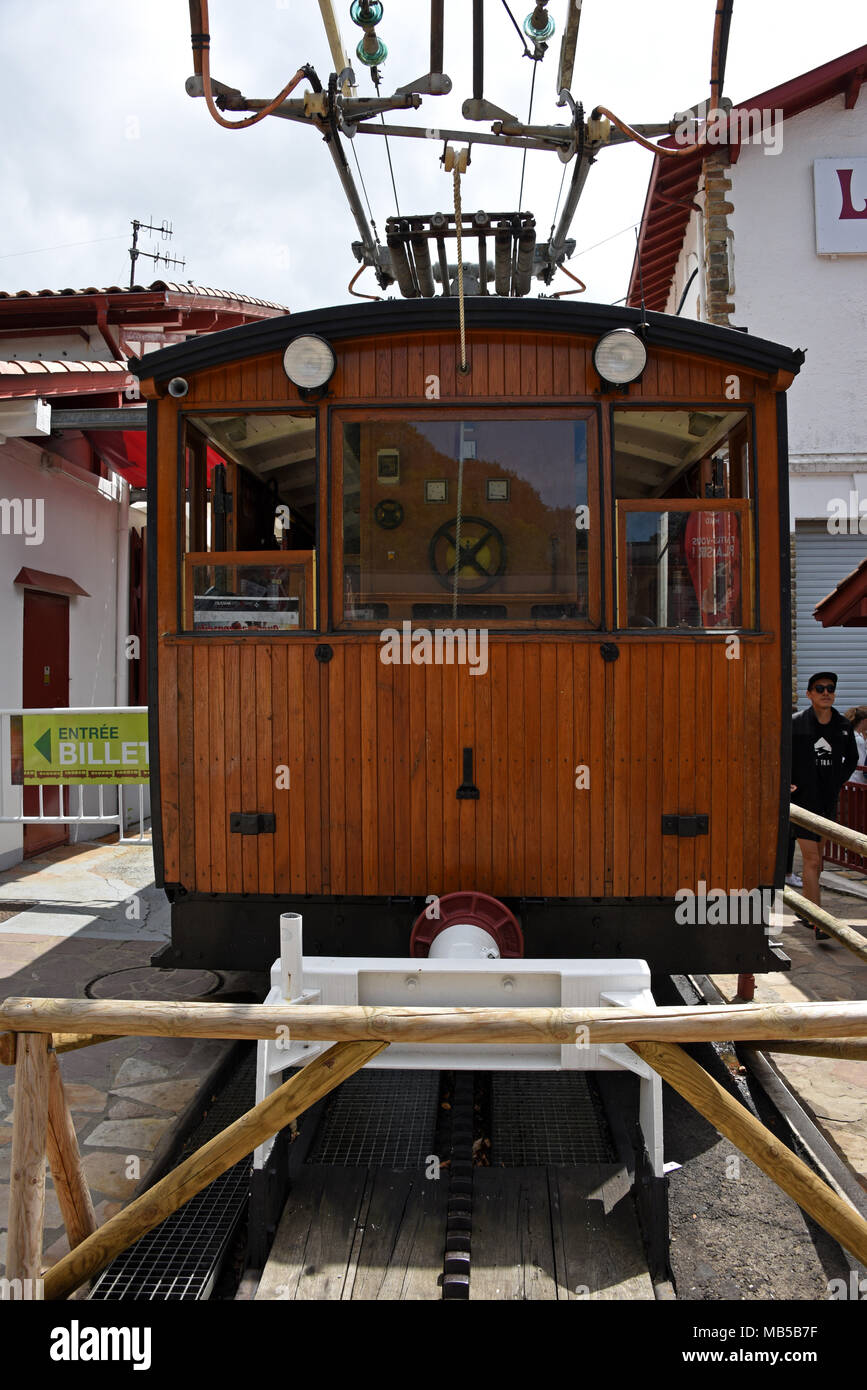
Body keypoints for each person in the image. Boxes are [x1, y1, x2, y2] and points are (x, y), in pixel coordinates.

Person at [790, 672, 858, 934]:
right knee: (812, 861)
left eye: (830, 688)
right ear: (809, 694)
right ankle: (818, 921)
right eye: (819, 688)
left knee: (818, 858)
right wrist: (788, 784)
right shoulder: (797, 723)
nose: (826, 692)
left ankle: (806, 907)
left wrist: (838, 781)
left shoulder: (842, 725)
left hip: (828, 800)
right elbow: (781, 753)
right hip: (803, 801)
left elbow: (851, 758)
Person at [843, 706, 867, 785]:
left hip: (849, 781)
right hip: (856, 782)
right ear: (864, 721)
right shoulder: (857, 739)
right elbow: (861, 762)